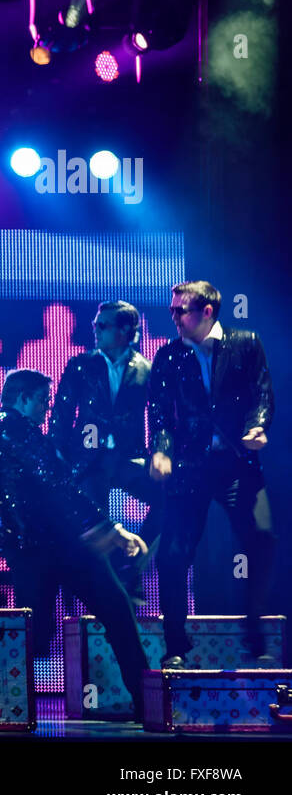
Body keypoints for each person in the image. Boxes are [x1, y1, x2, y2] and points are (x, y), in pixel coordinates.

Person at [0, 369, 150, 719]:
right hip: (49, 546)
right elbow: (58, 484)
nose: (48, 408)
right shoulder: (12, 429)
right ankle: (6, 707)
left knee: (49, 628)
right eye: (42, 400)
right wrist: (109, 529)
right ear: (23, 398)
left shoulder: (10, 431)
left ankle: (7, 708)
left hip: (46, 545)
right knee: (52, 628)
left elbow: (54, 485)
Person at [148, 281, 276, 667]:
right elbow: (159, 412)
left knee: (261, 540)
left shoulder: (245, 343)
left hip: (236, 462)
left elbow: (262, 394)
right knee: (173, 555)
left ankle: (256, 639)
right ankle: (176, 647)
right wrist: (161, 451)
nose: (174, 317)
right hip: (190, 466)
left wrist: (257, 426)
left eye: (180, 310)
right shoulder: (168, 355)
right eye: (171, 310)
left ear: (206, 311)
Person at [50, 301, 162, 605]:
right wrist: (58, 458)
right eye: (95, 325)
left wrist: (158, 454)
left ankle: (131, 568)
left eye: (103, 325)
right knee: (94, 523)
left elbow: (159, 418)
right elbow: (61, 415)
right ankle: (107, 590)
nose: (95, 330)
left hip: (128, 458)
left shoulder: (147, 369)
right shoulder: (81, 365)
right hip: (89, 460)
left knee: (173, 497)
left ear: (125, 330)